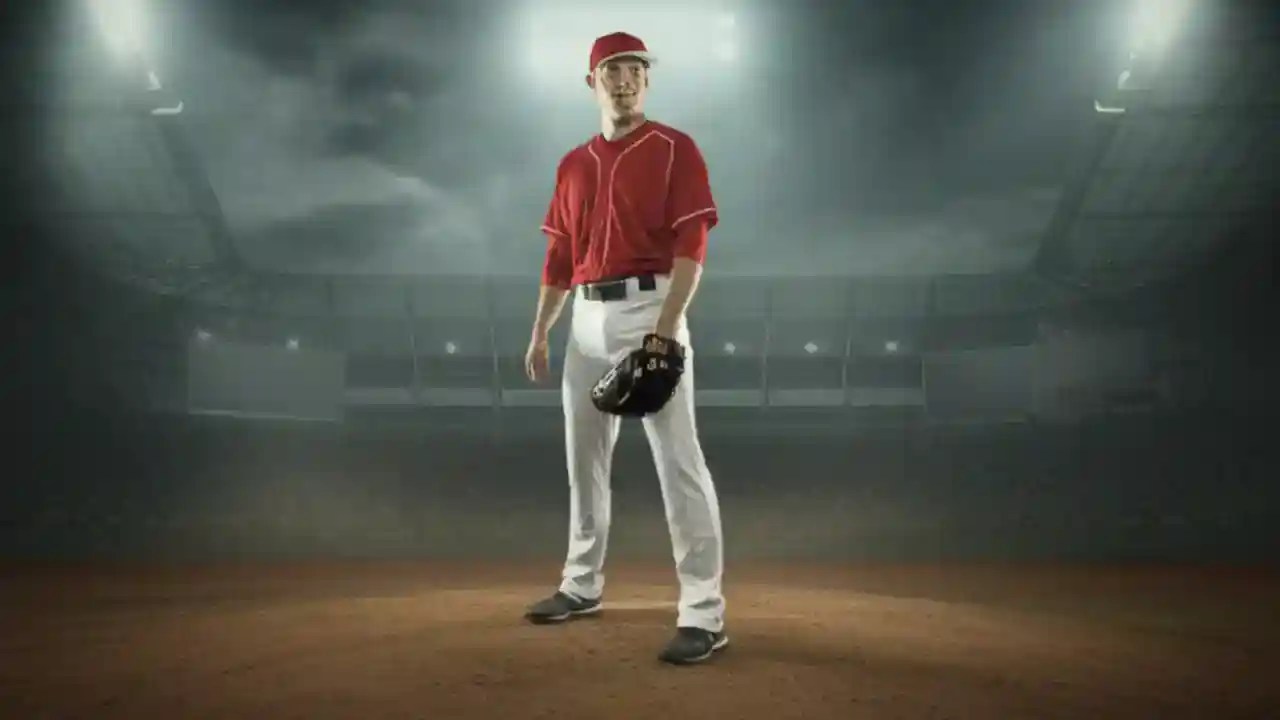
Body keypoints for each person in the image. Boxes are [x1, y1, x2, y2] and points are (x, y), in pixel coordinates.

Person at [521, 31, 728, 665]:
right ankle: (581, 584)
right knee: (583, 461)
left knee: (679, 463)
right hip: (585, 316)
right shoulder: (572, 164)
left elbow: (693, 245)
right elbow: (559, 257)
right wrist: (541, 330)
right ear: (593, 82)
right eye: (613, 69)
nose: (626, 79)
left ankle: (704, 613)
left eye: (635, 68)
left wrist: (667, 326)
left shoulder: (674, 148)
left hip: (650, 308)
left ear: (647, 79)